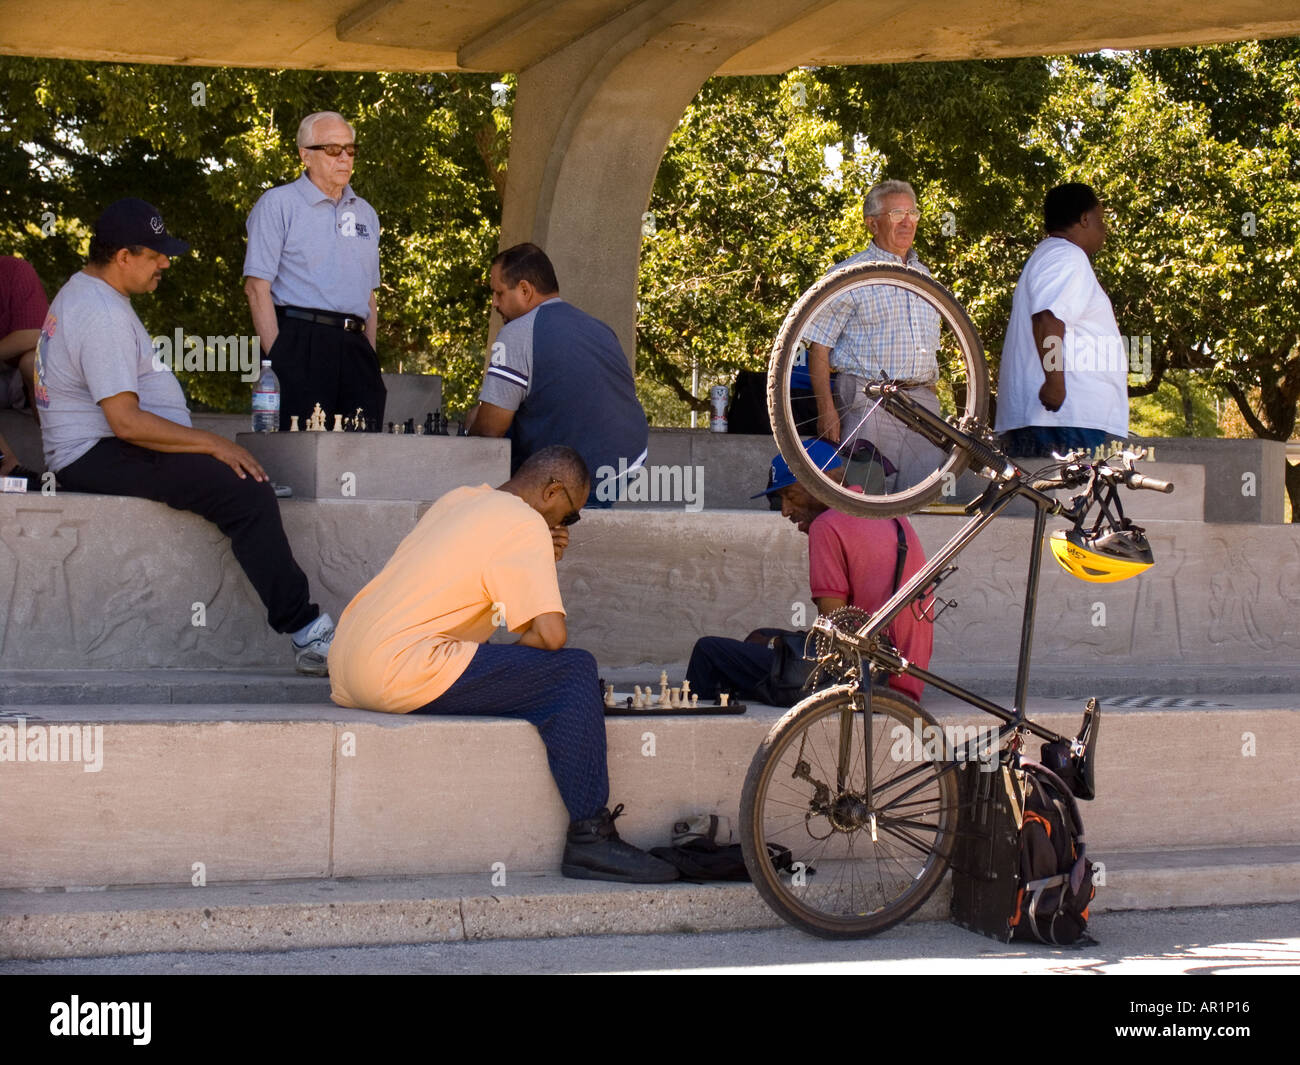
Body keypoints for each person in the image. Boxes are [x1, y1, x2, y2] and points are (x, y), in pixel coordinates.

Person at [328, 444, 678, 884]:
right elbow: (551, 636)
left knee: (551, 673)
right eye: (570, 515)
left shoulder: (460, 499)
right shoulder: (526, 523)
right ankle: (592, 839)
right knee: (572, 674)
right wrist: (535, 541)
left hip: (347, 665)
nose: (566, 526)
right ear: (553, 491)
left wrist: (537, 557)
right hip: (400, 670)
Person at [35, 197, 336, 675]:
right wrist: (215, 444)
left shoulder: (89, 294)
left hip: (100, 448)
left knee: (241, 478)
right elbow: (126, 422)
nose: (165, 263)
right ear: (123, 257)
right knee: (245, 492)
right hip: (96, 453)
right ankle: (308, 634)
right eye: (155, 255)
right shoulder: (100, 313)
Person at [686, 439, 933, 705]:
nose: (785, 511)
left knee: (709, 652)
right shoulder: (887, 513)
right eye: (779, 500)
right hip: (904, 681)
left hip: (864, 683)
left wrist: (781, 642)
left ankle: (694, 724)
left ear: (822, 482)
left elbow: (832, 635)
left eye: (790, 496)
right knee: (763, 638)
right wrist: (778, 639)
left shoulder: (827, 525)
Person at [467, 243, 648, 505]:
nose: (494, 303)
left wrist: (470, 424)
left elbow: (489, 429)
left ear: (525, 290)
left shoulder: (518, 332)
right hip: (628, 463)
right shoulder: (599, 329)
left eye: (498, 293)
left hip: (576, 474)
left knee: (481, 421)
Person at [243, 110, 386, 432]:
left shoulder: (366, 212)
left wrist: (370, 355)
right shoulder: (278, 203)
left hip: (355, 346)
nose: (344, 158)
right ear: (305, 155)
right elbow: (256, 288)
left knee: (362, 450)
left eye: (350, 150)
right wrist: (280, 358)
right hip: (300, 339)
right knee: (300, 452)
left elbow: (369, 294)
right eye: (333, 150)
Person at [802, 180, 944, 492]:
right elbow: (819, 347)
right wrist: (826, 409)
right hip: (869, 399)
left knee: (927, 499)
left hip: (923, 404)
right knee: (868, 496)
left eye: (913, 213)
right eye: (896, 214)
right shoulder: (848, 275)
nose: (908, 222)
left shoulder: (926, 277)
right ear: (872, 223)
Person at [994, 182, 1128, 457]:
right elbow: (1048, 319)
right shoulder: (1065, 256)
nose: (1103, 229)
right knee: (1065, 498)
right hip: (1063, 420)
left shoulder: (1053, 256)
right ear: (1084, 219)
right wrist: (1055, 383)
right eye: (1100, 220)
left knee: (1047, 498)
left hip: (1061, 420)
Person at [1, 255, 48, 414]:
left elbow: (35, 334)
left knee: (32, 361)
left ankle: (54, 438)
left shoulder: (14, 270)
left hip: (15, 377)